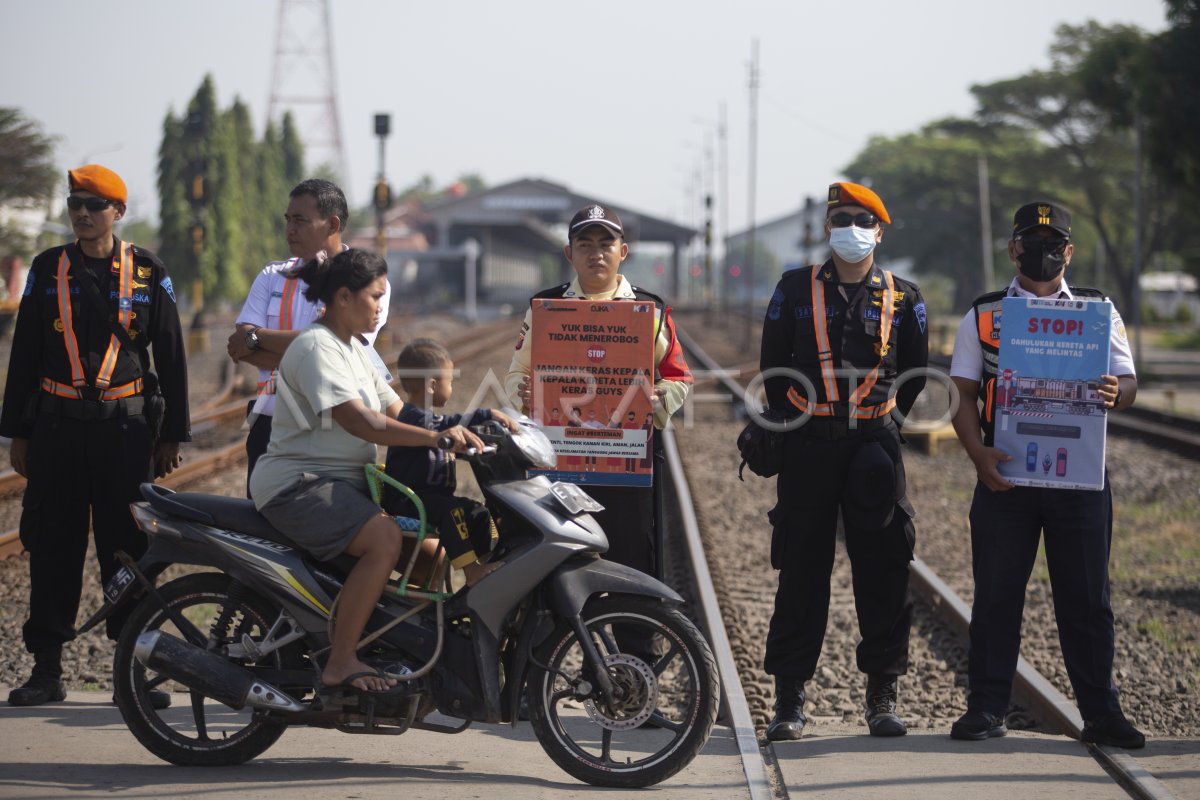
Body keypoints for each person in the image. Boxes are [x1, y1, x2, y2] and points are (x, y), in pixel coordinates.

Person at [947, 201, 1144, 749]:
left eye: (1054, 241)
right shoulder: (983, 314)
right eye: (1032, 241)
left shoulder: (1098, 311)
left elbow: (1128, 383)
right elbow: (960, 393)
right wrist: (976, 455)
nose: (1043, 251)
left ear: (1070, 251)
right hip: (1004, 478)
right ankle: (986, 709)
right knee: (996, 596)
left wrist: (1115, 393)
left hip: (1079, 482)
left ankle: (1102, 715)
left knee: (1087, 600)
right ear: (1012, 249)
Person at [249, 248, 486, 693]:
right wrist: (438, 438)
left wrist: (474, 422)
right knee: (385, 540)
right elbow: (361, 421)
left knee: (432, 554)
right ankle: (341, 661)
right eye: (375, 296)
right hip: (299, 485)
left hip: (341, 486)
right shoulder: (317, 347)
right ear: (343, 297)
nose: (381, 306)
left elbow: (404, 413)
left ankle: (408, 655)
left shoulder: (355, 351)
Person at [2, 165, 189, 707]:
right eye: (75, 204)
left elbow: (171, 356)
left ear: (118, 213)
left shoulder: (149, 271)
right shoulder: (47, 268)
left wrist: (171, 434)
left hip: (125, 435)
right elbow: (25, 356)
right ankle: (46, 670)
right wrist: (17, 432)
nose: (82, 213)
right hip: (57, 431)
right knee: (52, 546)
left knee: (128, 551)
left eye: (94, 204)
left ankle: (133, 670)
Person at [758, 182, 928, 740]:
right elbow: (773, 365)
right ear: (827, 228)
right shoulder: (793, 287)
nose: (848, 228)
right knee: (801, 572)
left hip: (873, 448)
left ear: (879, 230)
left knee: (884, 571)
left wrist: (880, 424)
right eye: (839, 219)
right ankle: (789, 700)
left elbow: (916, 376)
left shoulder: (905, 297)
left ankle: (882, 694)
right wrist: (797, 423)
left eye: (860, 219)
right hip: (809, 445)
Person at [504, 203, 693, 638]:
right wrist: (527, 395)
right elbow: (517, 373)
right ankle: (543, 678)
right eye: (584, 244)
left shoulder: (650, 311)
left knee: (631, 569)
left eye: (605, 243)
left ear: (623, 251)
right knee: (554, 568)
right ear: (569, 254)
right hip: (560, 468)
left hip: (626, 469)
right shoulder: (545, 309)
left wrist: (657, 399)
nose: (596, 253)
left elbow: (679, 377)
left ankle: (632, 674)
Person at [226, 178, 391, 492]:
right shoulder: (271, 276)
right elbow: (239, 346)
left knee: (335, 526)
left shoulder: (365, 278)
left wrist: (258, 338)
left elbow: (341, 347)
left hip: (336, 426)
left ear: (332, 224)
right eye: (287, 220)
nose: (290, 229)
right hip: (270, 423)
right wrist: (313, 349)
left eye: (300, 220)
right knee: (263, 530)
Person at [382, 338, 517, 574]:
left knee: (478, 512)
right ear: (432, 385)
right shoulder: (415, 417)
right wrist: (487, 413)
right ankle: (471, 572)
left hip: (432, 498)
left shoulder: (428, 420)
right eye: (451, 382)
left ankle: (487, 562)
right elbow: (448, 423)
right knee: (451, 513)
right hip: (410, 501)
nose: (452, 388)